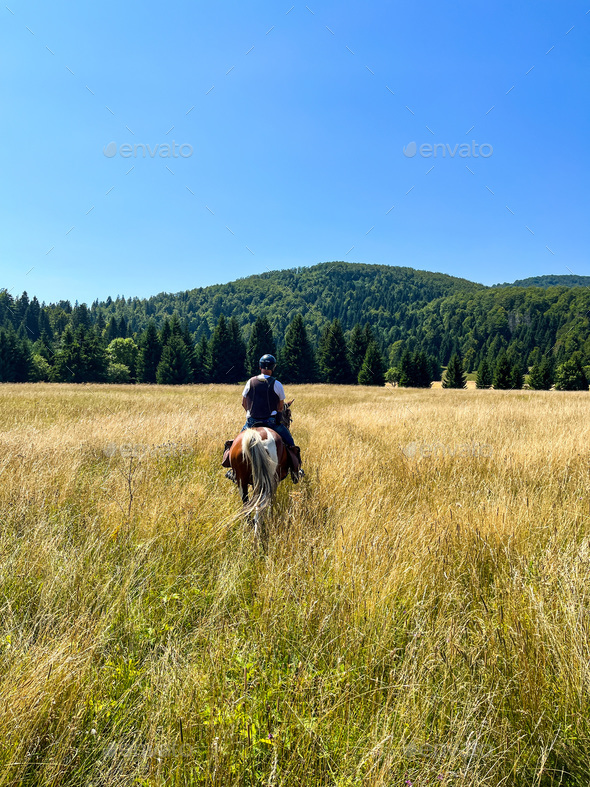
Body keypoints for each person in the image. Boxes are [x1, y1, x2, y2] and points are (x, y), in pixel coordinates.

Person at [222, 354, 303, 482]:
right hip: (271, 423)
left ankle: (233, 470)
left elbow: (244, 403)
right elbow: (281, 407)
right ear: (273, 368)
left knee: (235, 444)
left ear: (260, 367)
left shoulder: (250, 382)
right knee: (290, 442)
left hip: (251, 422)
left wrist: (251, 414)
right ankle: (296, 470)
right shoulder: (277, 384)